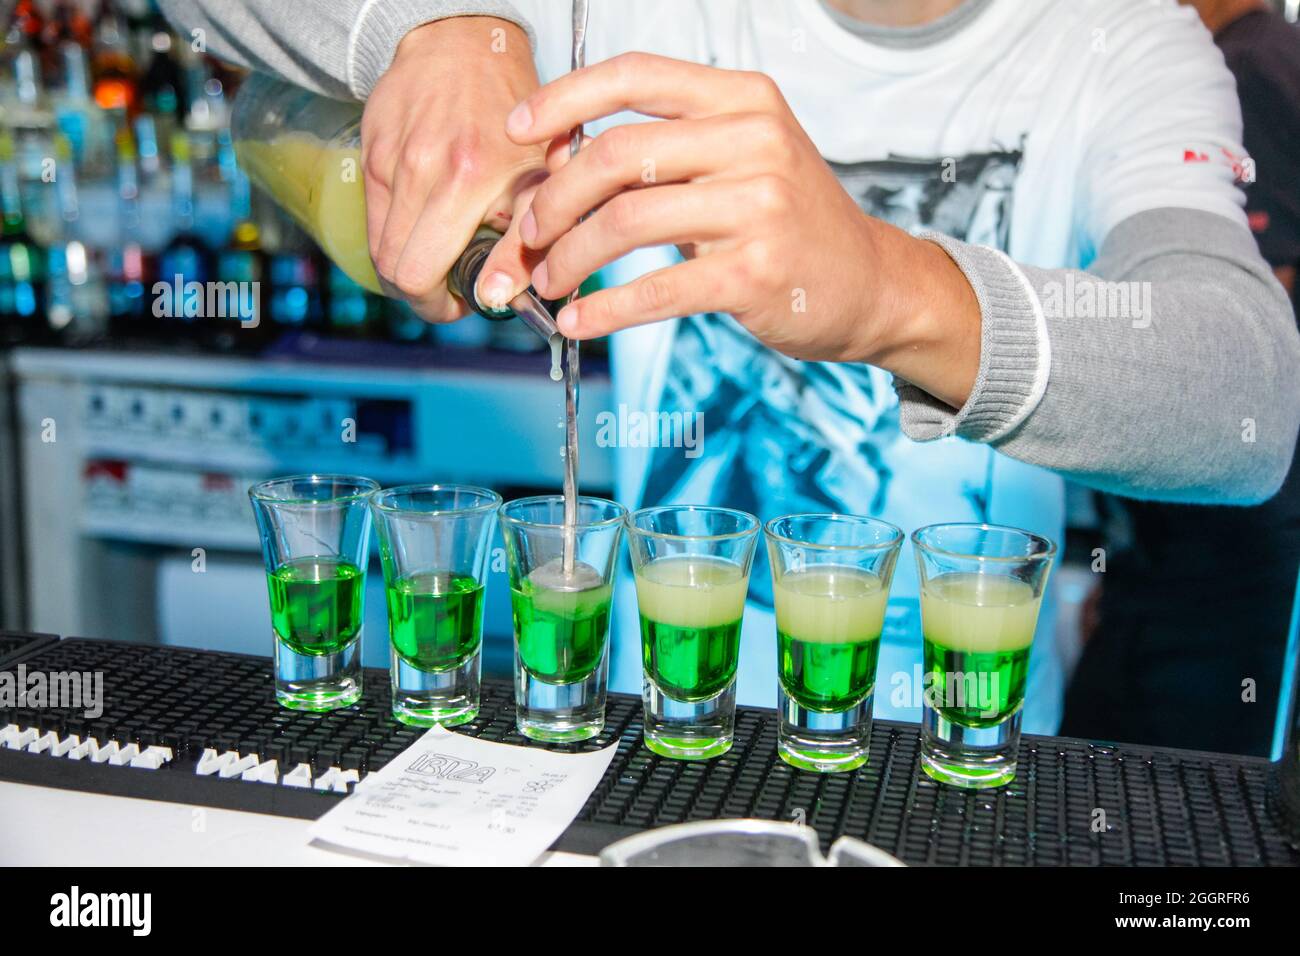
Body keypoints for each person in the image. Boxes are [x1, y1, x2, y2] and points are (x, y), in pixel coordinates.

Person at [160, 0, 1300, 724]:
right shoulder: (609, 9)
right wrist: (433, 28)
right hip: (648, 750)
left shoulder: (1120, 39)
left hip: (962, 772)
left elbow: (1249, 401)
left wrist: (886, 288)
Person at [1061, 0, 1300, 756]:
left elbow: (1255, 310)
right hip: (1185, 543)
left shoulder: (1247, 66)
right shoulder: (1267, 52)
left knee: (1164, 790)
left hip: (1226, 542)